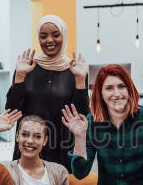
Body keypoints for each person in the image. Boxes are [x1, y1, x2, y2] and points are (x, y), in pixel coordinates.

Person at [5, 15, 90, 169]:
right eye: (43, 36)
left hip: (63, 148)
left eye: (55, 35)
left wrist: (80, 80)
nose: (49, 40)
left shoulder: (75, 70)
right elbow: (12, 111)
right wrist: (19, 76)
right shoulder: (27, 68)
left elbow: (82, 116)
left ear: (64, 36)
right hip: (29, 147)